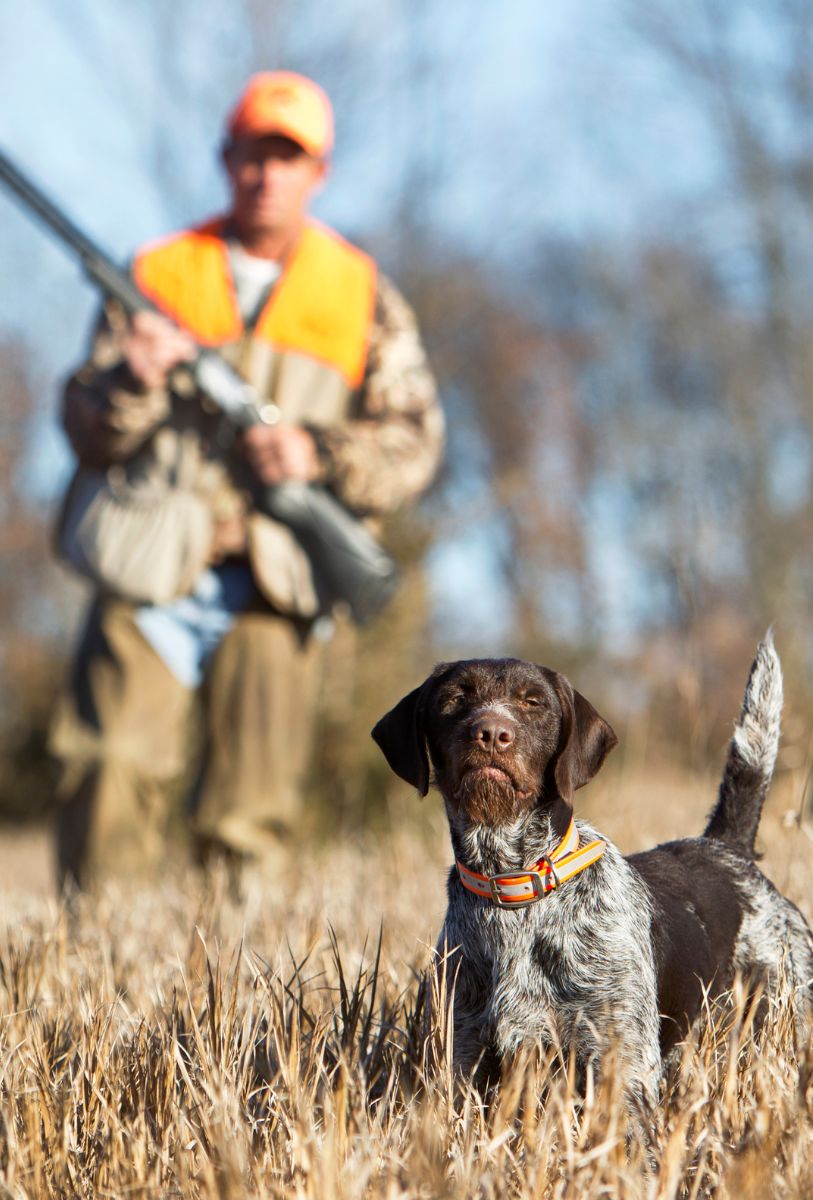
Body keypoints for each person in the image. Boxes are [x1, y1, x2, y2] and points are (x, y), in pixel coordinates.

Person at [49, 71, 444, 888]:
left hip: (277, 575)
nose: (266, 174)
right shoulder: (156, 271)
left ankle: (223, 988)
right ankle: (98, 956)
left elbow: (415, 443)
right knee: (108, 770)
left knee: (248, 817)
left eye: (287, 157)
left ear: (318, 172)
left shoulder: (361, 292)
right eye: (252, 154)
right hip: (151, 561)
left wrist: (318, 454)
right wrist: (131, 378)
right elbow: (84, 430)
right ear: (224, 159)